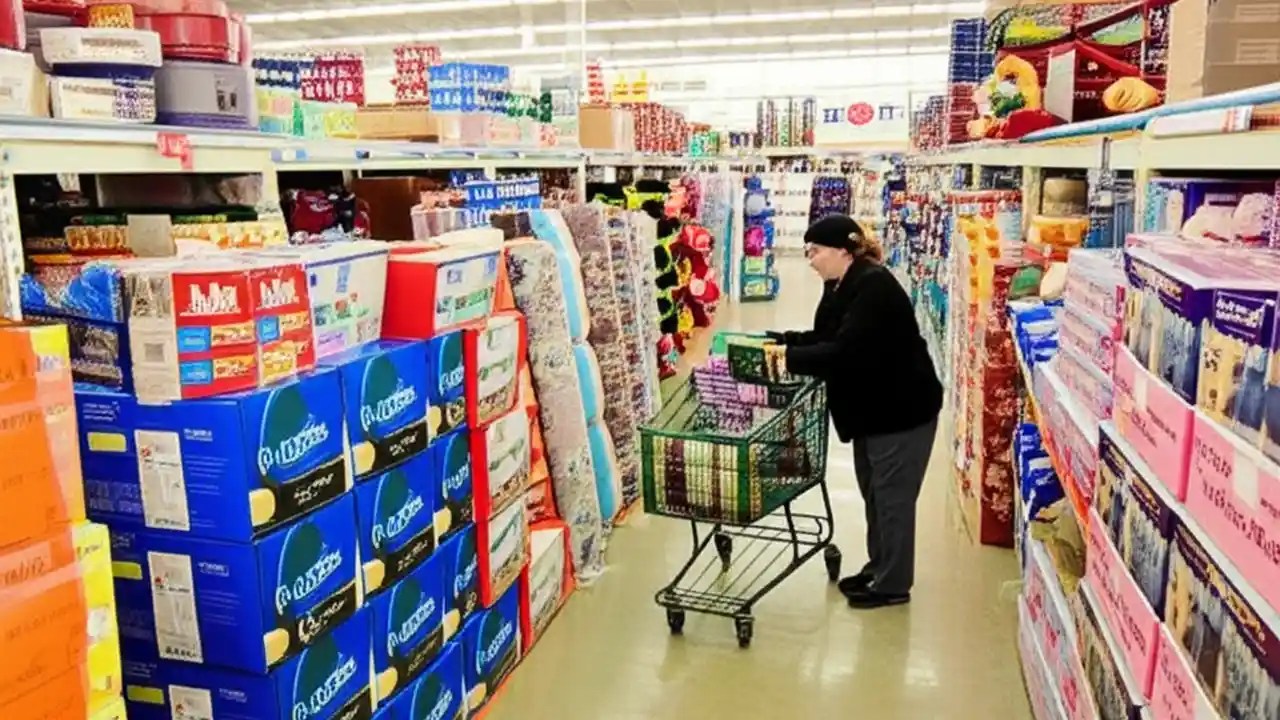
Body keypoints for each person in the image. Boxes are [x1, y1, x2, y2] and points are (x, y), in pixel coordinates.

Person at [767, 214, 943, 610]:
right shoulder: (841, 284)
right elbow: (829, 337)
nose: (809, 259)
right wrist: (783, 341)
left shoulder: (874, 286)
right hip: (872, 411)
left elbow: (847, 351)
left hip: (902, 411)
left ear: (843, 251)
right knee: (874, 495)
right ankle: (879, 567)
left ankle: (893, 584)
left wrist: (788, 359)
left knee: (893, 499)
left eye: (814, 251)